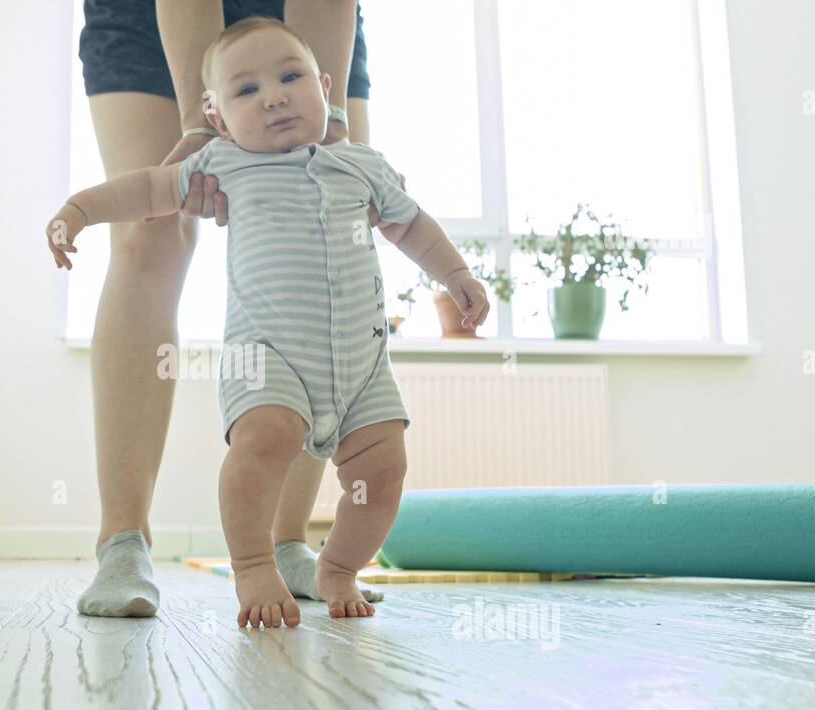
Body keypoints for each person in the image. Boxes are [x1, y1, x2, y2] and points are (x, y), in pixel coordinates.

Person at [54, 13, 490, 626]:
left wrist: (455, 275)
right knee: (151, 245)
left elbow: (407, 221)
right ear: (217, 115)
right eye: (249, 92)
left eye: (292, 79)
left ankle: (307, 553)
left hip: (355, 362)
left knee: (383, 466)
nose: (276, 96)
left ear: (321, 81)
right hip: (153, 24)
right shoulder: (224, 159)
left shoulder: (363, 163)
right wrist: (80, 210)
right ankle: (151, 545)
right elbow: (147, 191)